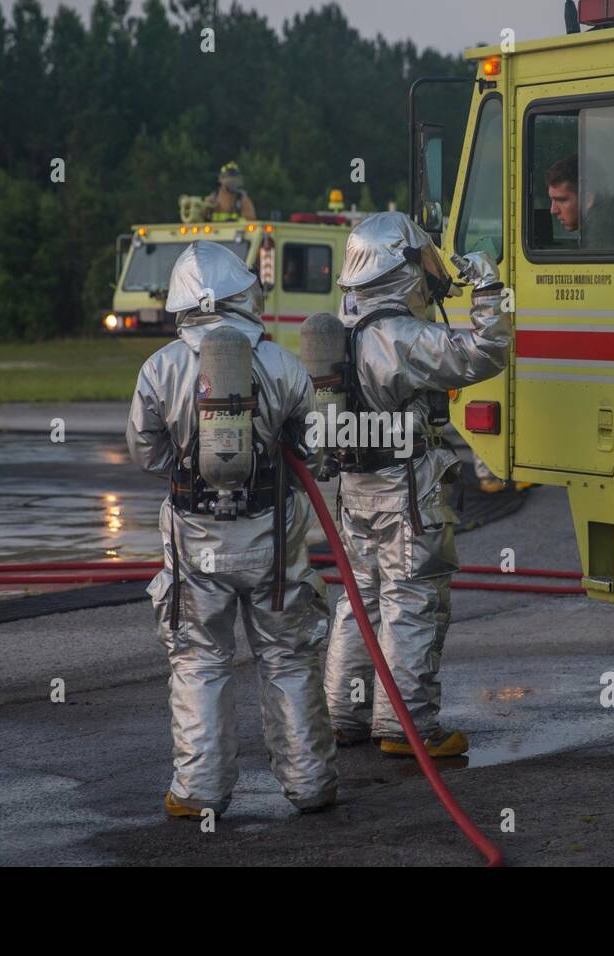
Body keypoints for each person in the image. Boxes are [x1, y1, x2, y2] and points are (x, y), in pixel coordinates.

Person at [126, 240, 337, 818]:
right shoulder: (282, 362)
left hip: (195, 543)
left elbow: (145, 453)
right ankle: (312, 783)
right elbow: (317, 448)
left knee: (200, 661)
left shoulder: (162, 366)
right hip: (272, 542)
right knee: (289, 658)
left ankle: (199, 794)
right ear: (245, 294)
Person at [322, 211, 511, 757]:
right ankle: (407, 728)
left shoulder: (343, 334)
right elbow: (486, 352)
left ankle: (343, 714)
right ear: (399, 269)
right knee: (413, 598)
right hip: (405, 489)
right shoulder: (401, 338)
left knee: (360, 599)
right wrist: (488, 285)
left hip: (353, 487)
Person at [546, 155, 614, 251]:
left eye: (561, 200)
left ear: (587, 200)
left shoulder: (600, 233)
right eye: (552, 200)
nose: (553, 210)